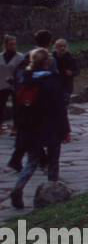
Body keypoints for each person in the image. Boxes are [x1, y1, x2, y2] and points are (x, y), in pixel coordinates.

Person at [9, 48, 66, 209]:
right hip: (50, 127)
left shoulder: (23, 79)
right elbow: (59, 107)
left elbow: (18, 106)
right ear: (47, 62)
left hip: (30, 127)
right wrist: (65, 129)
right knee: (53, 161)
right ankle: (51, 194)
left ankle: (18, 188)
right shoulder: (52, 80)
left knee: (31, 162)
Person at [53, 38, 79, 140]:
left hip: (66, 87)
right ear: (56, 47)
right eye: (60, 46)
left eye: (64, 46)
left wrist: (71, 73)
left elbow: (77, 70)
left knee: (63, 109)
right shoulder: (52, 58)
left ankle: (66, 133)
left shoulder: (70, 58)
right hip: (54, 87)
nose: (62, 48)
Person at [0, 35, 23, 135]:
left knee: (17, 106)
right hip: (1, 84)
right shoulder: (0, 56)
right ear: (5, 45)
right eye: (11, 44)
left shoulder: (20, 57)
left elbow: (23, 71)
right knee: (0, 106)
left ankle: (15, 127)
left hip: (15, 85)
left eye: (14, 44)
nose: (13, 46)